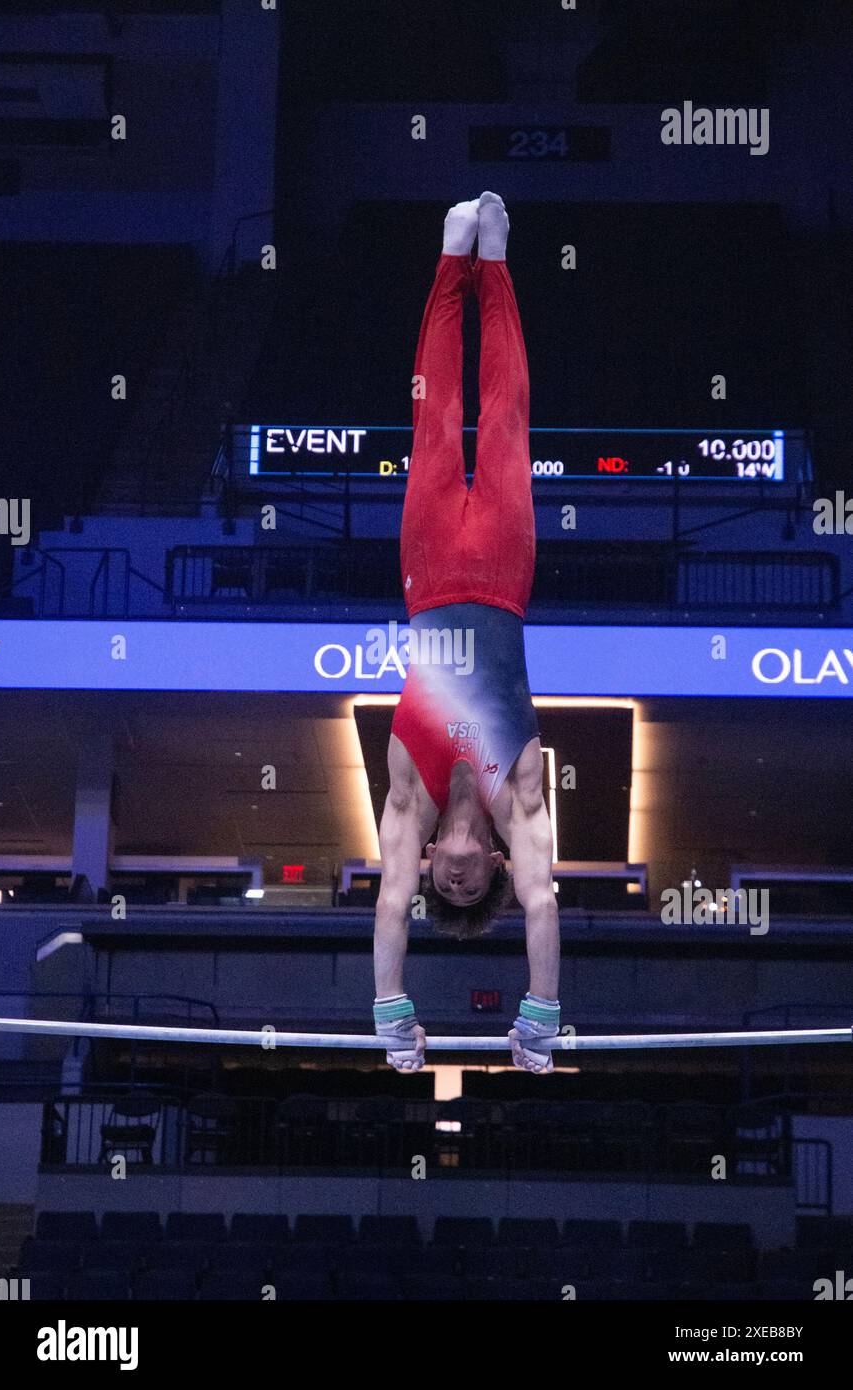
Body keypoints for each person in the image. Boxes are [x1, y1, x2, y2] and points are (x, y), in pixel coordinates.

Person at [372, 194, 560, 1075]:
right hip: (507, 579)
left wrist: (390, 1012)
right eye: (469, 886)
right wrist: (539, 1016)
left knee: (435, 418)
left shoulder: (406, 802)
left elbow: (387, 905)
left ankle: (453, 263)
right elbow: (546, 900)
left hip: (428, 573)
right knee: (511, 413)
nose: (451, 883)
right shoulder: (517, 795)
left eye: (439, 889)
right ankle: (502, 266)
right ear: (488, 861)